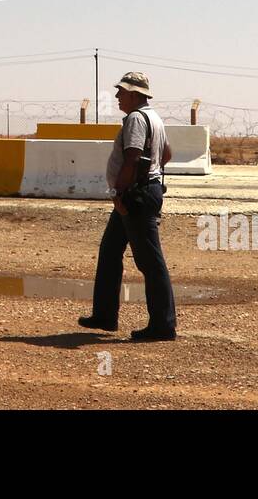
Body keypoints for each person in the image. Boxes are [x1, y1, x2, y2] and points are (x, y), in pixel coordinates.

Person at [78, 72, 177, 341]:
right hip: (143, 190)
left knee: (150, 261)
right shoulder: (154, 117)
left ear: (134, 94)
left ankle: (163, 325)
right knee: (110, 249)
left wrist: (120, 193)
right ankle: (104, 315)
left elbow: (132, 157)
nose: (118, 96)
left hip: (135, 195)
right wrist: (153, 173)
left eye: (122, 92)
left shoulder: (135, 119)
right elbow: (166, 153)